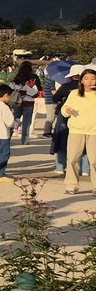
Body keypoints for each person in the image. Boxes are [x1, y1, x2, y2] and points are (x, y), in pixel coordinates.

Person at [61, 67, 96, 195]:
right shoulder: (74, 93)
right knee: (73, 159)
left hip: (94, 131)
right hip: (76, 130)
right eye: (86, 79)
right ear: (81, 80)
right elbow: (64, 110)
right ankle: (71, 185)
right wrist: (67, 111)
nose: (90, 82)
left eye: (93, 79)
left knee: (94, 161)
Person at [10, 61, 40, 144]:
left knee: (13, 121)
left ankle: (8, 137)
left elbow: (10, 90)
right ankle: (25, 140)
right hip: (28, 103)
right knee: (26, 123)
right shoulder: (31, 81)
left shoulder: (14, 81)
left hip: (16, 103)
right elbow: (35, 93)